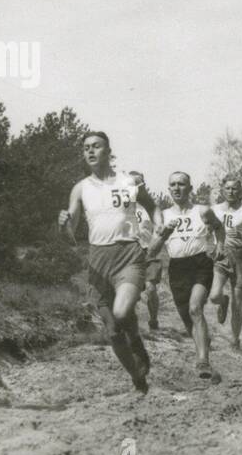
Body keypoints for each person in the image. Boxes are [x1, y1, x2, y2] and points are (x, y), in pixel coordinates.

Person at [58, 132, 155, 393]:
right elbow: (72, 234)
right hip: (98, 260)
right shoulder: (80, 188)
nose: (90, 151)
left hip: (128, 254)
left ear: (108, 150)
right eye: (86, 148)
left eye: (96, 146)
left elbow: (151, 206)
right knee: (112, 330)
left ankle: (136, 340)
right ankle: (136, 376)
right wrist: (64, 224)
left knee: (123, 313)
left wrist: (151, 235)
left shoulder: (128, 181)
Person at [151, 171, 223, 380]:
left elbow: (219, 228)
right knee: (187, 316)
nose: (176, 188)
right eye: (172, 184)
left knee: (195, 308)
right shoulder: (163, 216)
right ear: (168, 189)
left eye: (181, 184)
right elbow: (152, 251)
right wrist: (165, 233)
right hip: (177, 268)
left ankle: (203, 362)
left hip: (200, 264)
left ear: (190, 188)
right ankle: (203, 343)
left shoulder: (202, 211)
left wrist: (220, 245)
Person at [209, 178, 242, 349]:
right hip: (222, 255)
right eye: (228, 188)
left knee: (237, 303)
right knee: (214, 295)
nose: (231, 192)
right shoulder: (214, 210)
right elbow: (205, 232)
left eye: (234, 189)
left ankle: (235, 339)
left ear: (240, 191)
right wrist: (211, 246)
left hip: (240, 257)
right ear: (222, 190)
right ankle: (222, 301)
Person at [129, 171, 163, 332]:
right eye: (132, 183)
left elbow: (159, 227)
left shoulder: (149, 206)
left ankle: (153, 319)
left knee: (151, 288)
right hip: (128, 253)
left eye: (138, 183)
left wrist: (156, 239)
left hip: (148, 252)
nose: (135, 187)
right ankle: (132, 325)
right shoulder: (121, 204)